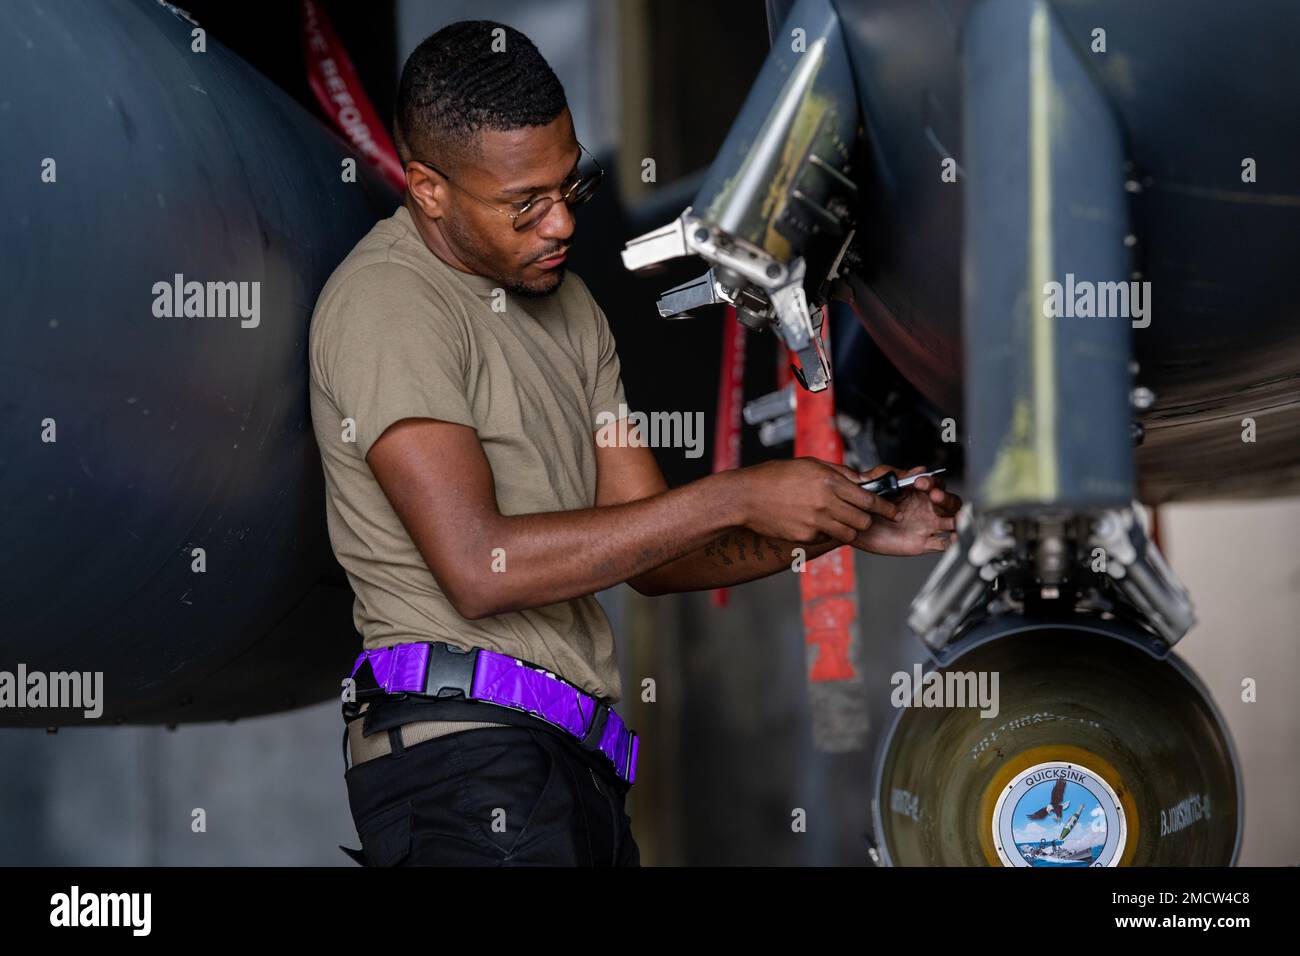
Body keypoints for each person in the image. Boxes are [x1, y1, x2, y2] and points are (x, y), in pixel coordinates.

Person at [307, 19, 960, 867]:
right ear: (429, 189)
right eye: (523, 205)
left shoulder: (570, 307)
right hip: (463, 763)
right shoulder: (391, 305)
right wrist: (740, 492)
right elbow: (477, 565)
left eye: (568, 188)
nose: (559, 226)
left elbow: (652, 549)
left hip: (566, 765)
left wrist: (845, 522)